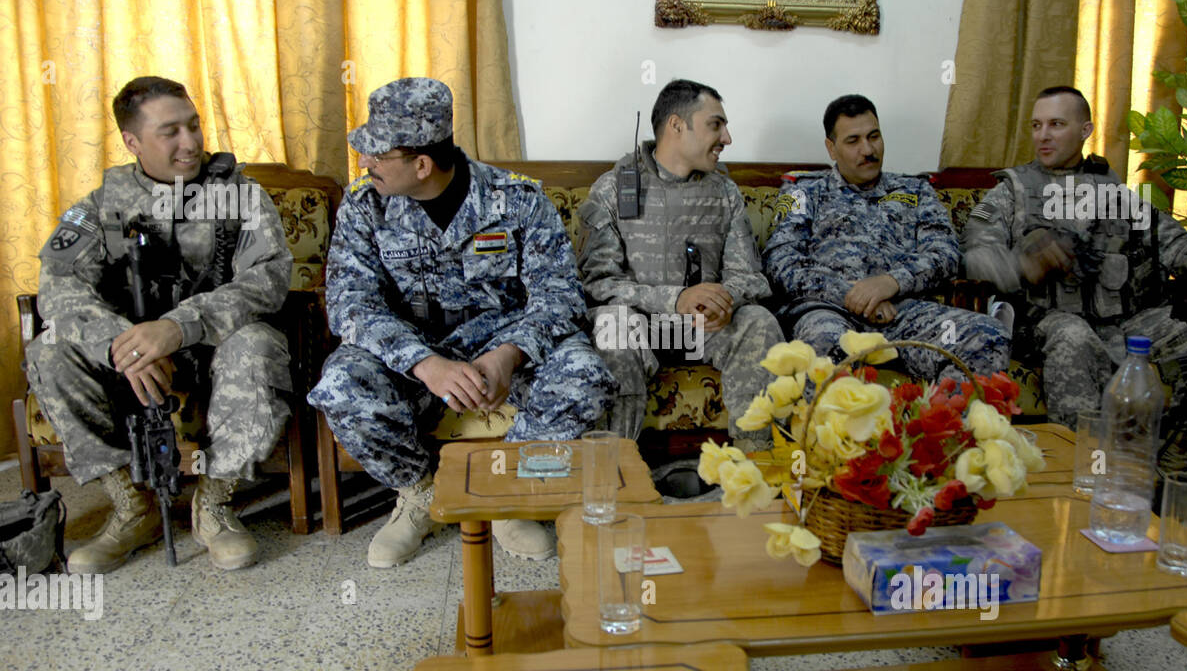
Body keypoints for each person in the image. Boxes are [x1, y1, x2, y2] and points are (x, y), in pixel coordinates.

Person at [310, 78, 615, 566]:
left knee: (586, 377)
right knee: (342, 384)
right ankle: (418, 492)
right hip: (412, 347)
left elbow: (560, 296)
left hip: (503, 342)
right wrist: (425, 364)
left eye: (376, 155)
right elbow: (351, 303)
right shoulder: (364, 207)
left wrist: (508, 355)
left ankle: (506, 494)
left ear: (422, 164)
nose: (365, 164)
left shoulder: (517, 200)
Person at [27, 76, 293, 573]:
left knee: (259, 344)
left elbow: (269, 280)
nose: (190, 142)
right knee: (50, 349)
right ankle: (132, 507)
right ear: (133, 142)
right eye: (169, 132)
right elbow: (58, 289)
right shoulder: (100, 206)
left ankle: (214, 505)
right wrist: (121, 347)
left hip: (215, 349)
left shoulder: (239, 195)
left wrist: (178, 327)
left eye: (193, 125)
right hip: (133, 361)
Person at [962, 85, 1187, 435]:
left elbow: (1179, 252)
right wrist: (1023, 265)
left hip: (1124, 322)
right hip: (1045, 324)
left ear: (1085, 130)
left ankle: (1179, 457)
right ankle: (1081, 458)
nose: (1042, 136)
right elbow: (973, 259)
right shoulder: (1009, 193)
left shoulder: (1117, 194)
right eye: (1036, 126)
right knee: (1073, 335)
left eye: (1056, 124)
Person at [577, 79, 783, 450]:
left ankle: (756, 467)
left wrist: (722, 298)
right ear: (676, 125)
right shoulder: (613, 189)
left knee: (760, 323)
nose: (727, 138)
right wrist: (676, 299)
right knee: (612, 327)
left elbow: (751, 278)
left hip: (703, 328)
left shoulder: (724, 193)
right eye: (715, 125)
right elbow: (597, 284)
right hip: (642, 328)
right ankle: (613, 470)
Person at [763, 94, 1010, 380]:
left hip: (903, 312)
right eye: (853, 141)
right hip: (828, 311)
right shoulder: (803, 192)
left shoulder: (915, 191)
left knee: (988, 335)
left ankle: (940, 422)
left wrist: (890, 283)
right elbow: (781, 261)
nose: (868, 150)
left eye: (874, 136)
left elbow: (946, 254)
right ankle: (835, 426)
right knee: (825, 345)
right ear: (831, 148)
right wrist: (851, 294)